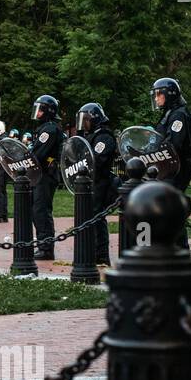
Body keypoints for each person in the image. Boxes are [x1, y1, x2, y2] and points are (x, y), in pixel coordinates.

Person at [152, 77, 191, 248]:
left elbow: (174, 145)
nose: (156, 98)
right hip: (170, 170)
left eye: (159, 94)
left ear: (169, 94)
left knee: (172, 209)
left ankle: (179, 251)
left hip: (177, 170)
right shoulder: (170, 114)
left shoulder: (178, 115)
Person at [76, 102, 118, 265]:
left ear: (94, 119)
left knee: (96, 217)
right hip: (88, 183)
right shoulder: (90, 136)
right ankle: (90, 251)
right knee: (89, 215)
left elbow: (96, 160)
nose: (83, 124)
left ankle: (100, 254)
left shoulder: (104, 136)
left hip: (99, 182)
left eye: (86, 120)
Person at [31, 95, 63, 260]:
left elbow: (38, 154)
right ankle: (42, 244)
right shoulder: (44, 128)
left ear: (48, 111)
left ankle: (46, 248)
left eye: (40, 110)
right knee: (36, 211)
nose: (36, 113)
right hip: (40, 175)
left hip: (46, 175)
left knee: (41, 210)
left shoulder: (50, 129)